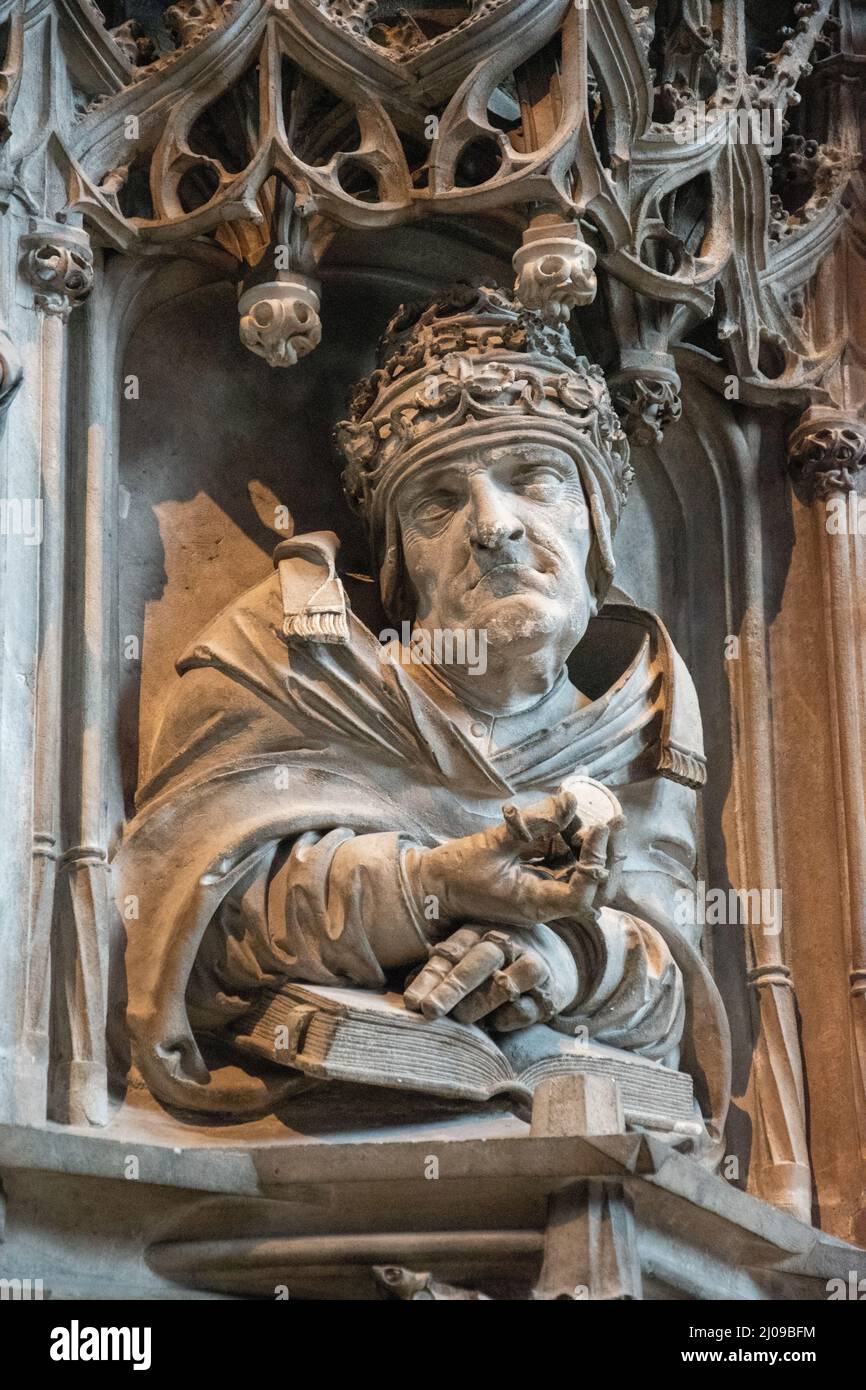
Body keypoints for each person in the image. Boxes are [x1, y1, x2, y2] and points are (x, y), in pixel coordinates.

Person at [116, 283, 729, 1146]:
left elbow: (672, 979)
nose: (494, 526)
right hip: (296, 1165)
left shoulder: (642, 718)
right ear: (398, 560)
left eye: (536, 477)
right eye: (438, 501)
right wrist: (430, 888)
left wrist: (565, 958)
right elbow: (177, 925)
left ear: (597, 521)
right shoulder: (289, 663)